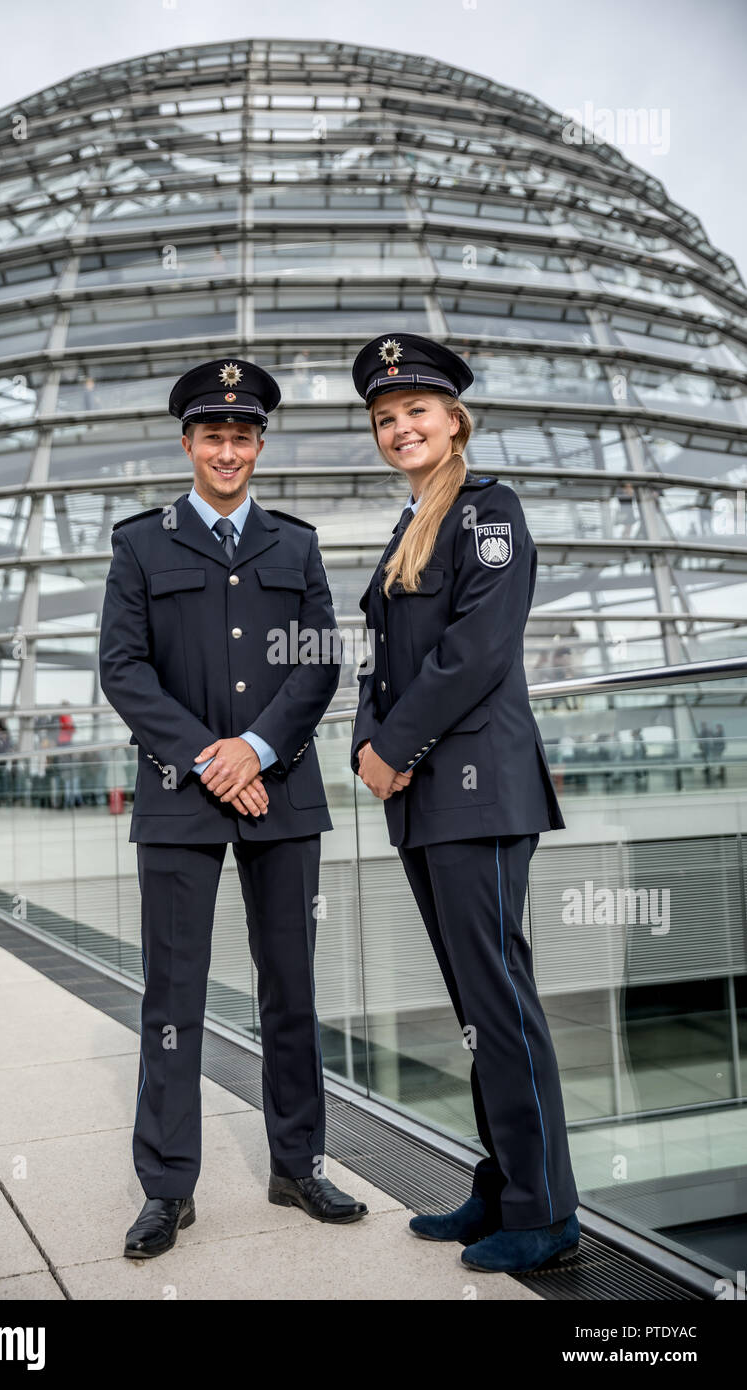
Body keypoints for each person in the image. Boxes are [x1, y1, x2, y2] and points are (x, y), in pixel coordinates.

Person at [99, 356, 366, 1261]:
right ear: (187, 444)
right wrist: (209, 759)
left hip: (281, 789)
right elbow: (123, 669)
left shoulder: (296, 544)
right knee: (171, 997)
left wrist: (253, 749)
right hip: (180, 798)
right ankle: (167, 1190)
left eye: (241, 435)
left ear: (258, 444)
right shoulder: (139, 543)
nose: (227, 448)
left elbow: (316, 660)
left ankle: (298, 1164)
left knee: (290, 990)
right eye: (211, 434)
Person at [349, 332, 579, 1275]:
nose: (400, 427)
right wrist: (365, 742)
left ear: (453, 420)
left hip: (477, 791)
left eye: (416, 412)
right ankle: (502, 1183)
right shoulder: (410, 527)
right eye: (384, 418)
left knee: (500, 999)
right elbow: (381, 659)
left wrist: (393, 747)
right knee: (473, 1005)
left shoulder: (490, 512)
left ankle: (546, 1214)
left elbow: (477, 652)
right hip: (422, 795)